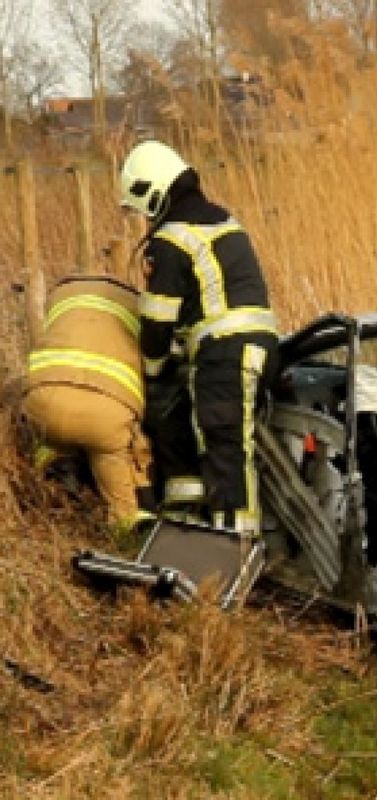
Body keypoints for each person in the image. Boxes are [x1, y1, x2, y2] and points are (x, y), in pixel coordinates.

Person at [119, 140, 279, 535]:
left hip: (225, 356)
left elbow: (157, 323)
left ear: (153, 193)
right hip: (262, 346)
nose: (145, 221)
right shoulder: (224, 220)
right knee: (230, 449)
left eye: (144, 211)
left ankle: (235, 553)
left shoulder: (170, 240)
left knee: (226, 456)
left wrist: (153, 372)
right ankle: (200, 535)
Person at [23, 274, 157, 533]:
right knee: (115, 466)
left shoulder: (61, 297)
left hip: (43, 404)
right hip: (105, 418)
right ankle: (125, 530)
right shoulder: (138, 308)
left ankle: (51, 476)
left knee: (46, 436)